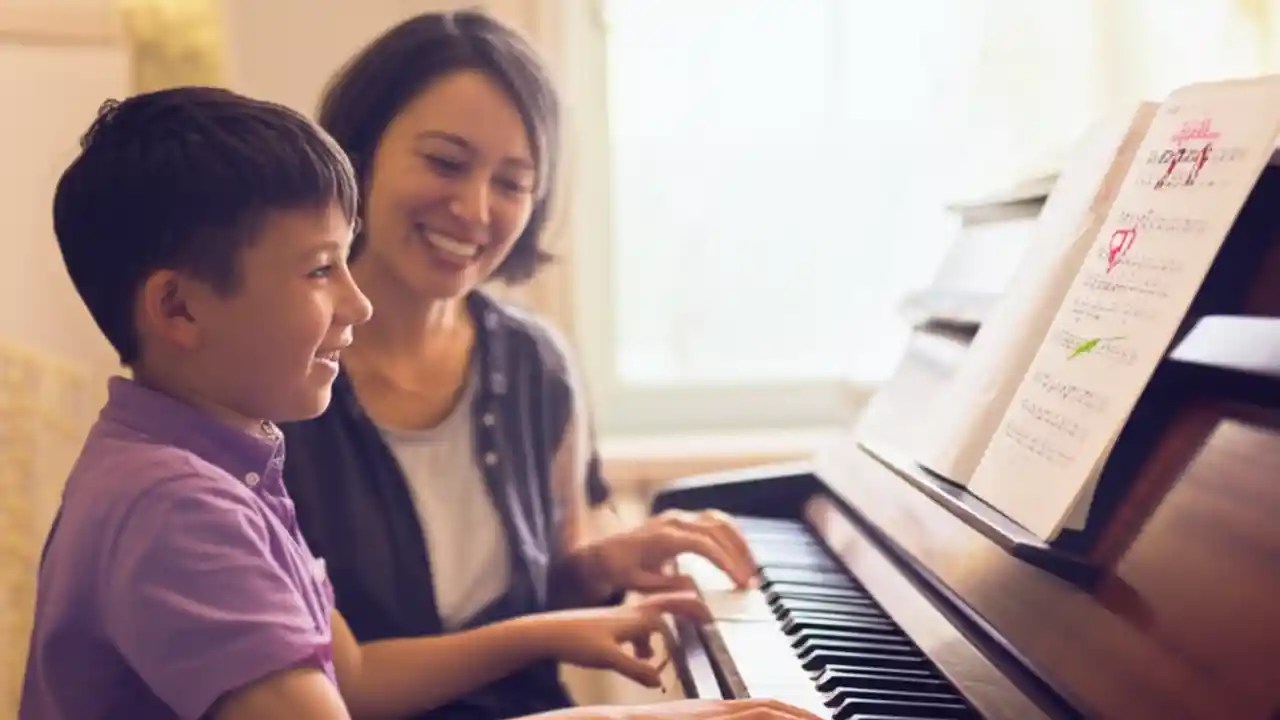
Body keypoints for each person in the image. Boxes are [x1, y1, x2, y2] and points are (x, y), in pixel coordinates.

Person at [19, 87, 818, 720]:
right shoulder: (177, 508)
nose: (357, 304)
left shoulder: (220, 468)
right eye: (321, 270)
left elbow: (349, 679)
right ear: (179, 309)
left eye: (513, 181)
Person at [278, 8, 766, 718]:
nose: (475, 209)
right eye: (445, 162)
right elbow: (328, 679)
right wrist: (558, 641)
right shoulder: (270, 373)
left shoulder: (538, 363)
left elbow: (549, 582)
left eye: (511, 183)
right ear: (359, 153)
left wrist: (602, 565)